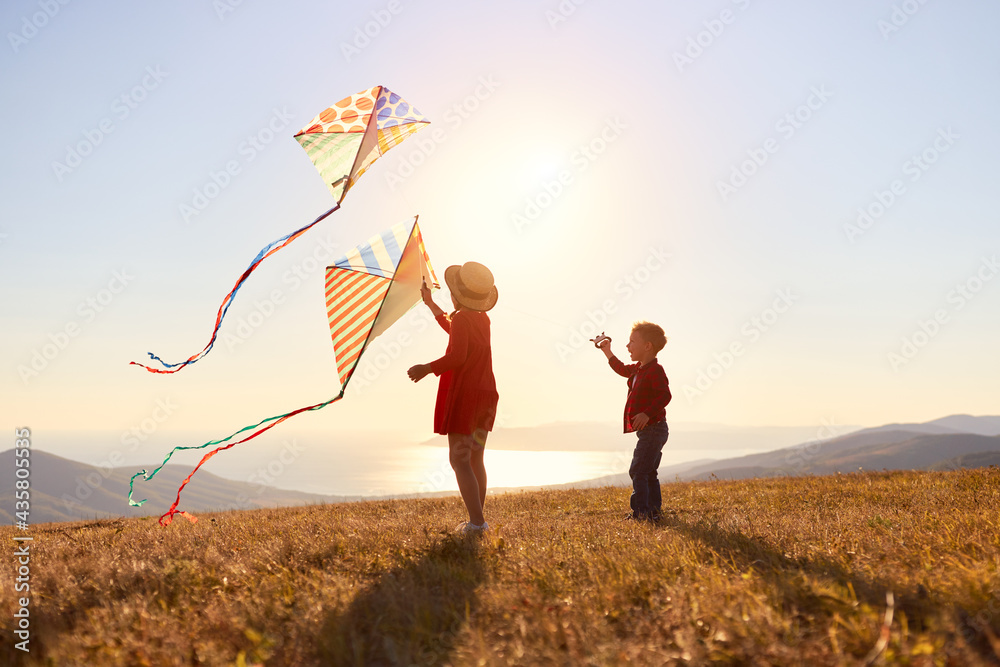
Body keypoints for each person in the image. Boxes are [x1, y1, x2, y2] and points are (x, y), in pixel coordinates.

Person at [407, 261, 499, 534]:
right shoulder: (482, 319)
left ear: (457, 295)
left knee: (459, 460)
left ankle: (477, 523)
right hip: (486, 395)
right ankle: (477, 520)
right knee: (475, 459)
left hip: (466, 396)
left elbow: (457, 355)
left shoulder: (462, 319)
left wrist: (427, 369)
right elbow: (456, 333)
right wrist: (431, 305)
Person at [595, 321, 671, 522]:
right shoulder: (638, 369)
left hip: (654, 429)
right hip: (650, 431)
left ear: (648, 346)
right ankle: (653, 512)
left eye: (632, 341)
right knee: (648, 472)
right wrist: (607, 351)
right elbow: (620, 368)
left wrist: (646, 414)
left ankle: (642, 513)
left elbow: (665, 396)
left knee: (638, 470)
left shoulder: (655, 371)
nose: (627, 346)